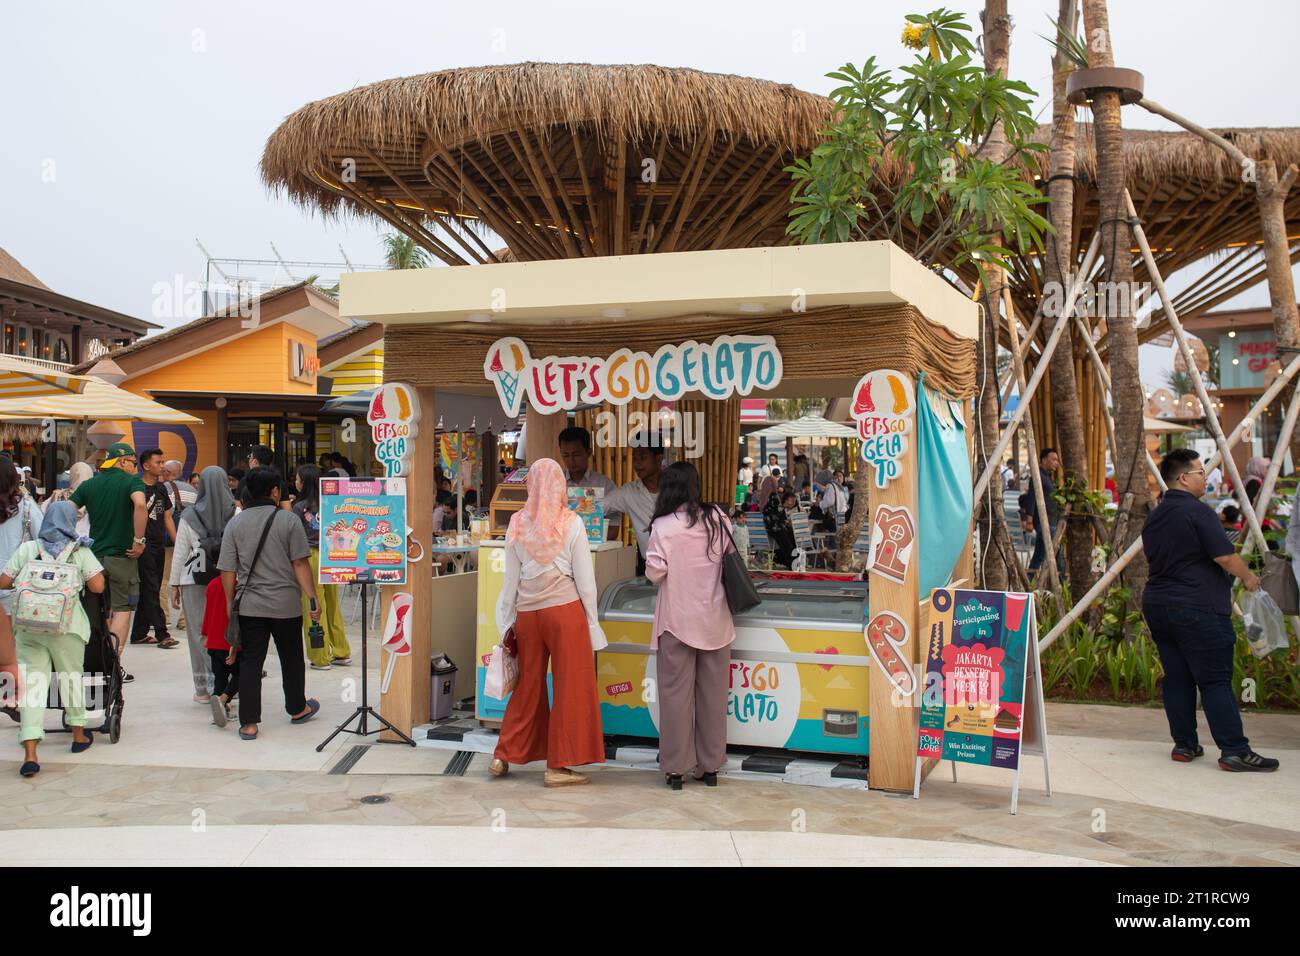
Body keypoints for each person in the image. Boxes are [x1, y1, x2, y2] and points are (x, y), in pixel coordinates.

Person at [1141, 448, 1278, 773]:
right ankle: (1234, 750)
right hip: (1197, 607)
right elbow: (1224, 556)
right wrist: (1248, 578)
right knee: (1215, 679)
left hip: (1159, 605)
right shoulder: (1198, 512)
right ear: (1184, 478)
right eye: (1201, 472)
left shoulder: (1155, 515)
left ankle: (1184, 744)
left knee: (1177, 677)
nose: (1206, 478)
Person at [488, 458, 606, 787]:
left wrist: (506, 623)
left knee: (528, 686)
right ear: (560, 485)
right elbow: (585, 583)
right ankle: (559, 767)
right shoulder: (572, 523)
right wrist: (593, 624)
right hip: (565, 613)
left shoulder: (515, 523)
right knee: (571, 686)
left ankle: (503, 754)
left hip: (528, 615)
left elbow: (509, 583)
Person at [646, 461, 736, 790]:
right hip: (715, 621)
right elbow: (730, 557)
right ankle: (710, 767)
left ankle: (676, 769)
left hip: (677, 621)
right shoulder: (718, 519)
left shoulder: (664, 526)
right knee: (712, 696)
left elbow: (654, 573)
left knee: (674, 697)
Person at [217, 466, 322, 741]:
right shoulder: (288, 521)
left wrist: (230, 604)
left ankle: (249, 724)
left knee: (251, 661)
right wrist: (312, 598)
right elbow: (299, 562)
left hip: (250, 604)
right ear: (275, 491)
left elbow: (227, 570)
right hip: (286, 604)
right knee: (291, 658)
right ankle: (297, 708)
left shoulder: (235, 524)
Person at [1, 501, 104, 776]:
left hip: (29, 627)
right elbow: (98, 585)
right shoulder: (79, 551)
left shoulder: (29, 548)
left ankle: (31, 753)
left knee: (33, 687)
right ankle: (79, 735)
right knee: (71, 677)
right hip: (67, 627)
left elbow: (4, 581)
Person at [70, 442, 147, 683]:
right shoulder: (131, 482)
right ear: (122, 461)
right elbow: (141, 504)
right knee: (123, 610)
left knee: (101, 611)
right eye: (133, 463)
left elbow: (68, 509)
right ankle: (113, 664)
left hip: (94, 559)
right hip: (123, 556)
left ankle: (99, 660)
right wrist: (139, 540)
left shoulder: (90, 484)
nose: (135, 468)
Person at [170, 465, 233, 704]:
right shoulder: (235, 514)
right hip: (226, 579)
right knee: (226, 631)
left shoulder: (189, 516)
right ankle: (224, 684)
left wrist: (174, 584)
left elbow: (180, 553)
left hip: (193, 580)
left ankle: (203, 688)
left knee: (198, 633)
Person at [291, 464, 351, 671]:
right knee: (333, 605)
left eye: (298, 479)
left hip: (310, 557)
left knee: (313, 605)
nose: (295, 482)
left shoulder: (298, 507)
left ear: (304, 482)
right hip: (332, 555)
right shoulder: (330, 502)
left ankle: (320, 656)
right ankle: (342, 651)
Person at [128, 448, 179, 650]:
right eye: (158, 462)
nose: (162, 466)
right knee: (150, 587)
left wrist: (177, 543)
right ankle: (162, 633)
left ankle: (139, 633)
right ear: (146, 465)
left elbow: (167, 517)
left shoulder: (161, 489)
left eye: (163, 462)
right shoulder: (136, 487)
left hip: (159, 545)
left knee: (152, 587)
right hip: (143, 544)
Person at [602, 441, 665, 575]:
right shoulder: (629, 492)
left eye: (643, 457)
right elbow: (599, 507)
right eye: (634, 458)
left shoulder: (676, 487)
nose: (637, 464)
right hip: (648, 566)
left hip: (679, 564)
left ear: (658, 458)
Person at [0, 460, 45, 618]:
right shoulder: (25, 506)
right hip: (13, 585)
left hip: (12, 588)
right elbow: (43, 537)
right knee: (11, 641)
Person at [1025, 447, 1065, 575]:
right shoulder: (1038, 476)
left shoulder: (1049, 478)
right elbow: (1031, 498)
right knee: (1057, 551)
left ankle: (1028, 580)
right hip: (1044, 523)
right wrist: (1029, 520)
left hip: (1052, 521)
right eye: (1053, 459)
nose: (1056, 463)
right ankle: (1062, 582)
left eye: (1057, 460)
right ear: (1043, 460)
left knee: (1039, 556)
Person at [42, 461, 92, 537]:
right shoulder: (95, 499)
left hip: (59, 540)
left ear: (71, 476)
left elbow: (42, 513)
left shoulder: (57, 495)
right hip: (86, 541)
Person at [763, 490, 799, 569]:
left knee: (791, 536)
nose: (793, 503)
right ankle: (792, 563)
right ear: (786, 500)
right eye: (792, 500)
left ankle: (793, 562)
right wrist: (785, 522)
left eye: (794, 501)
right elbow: (777, 520)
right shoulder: (777, 506)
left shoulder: (779, 507)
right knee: (787, 540)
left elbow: (781, 519)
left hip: (775, 528)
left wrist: (786, 522)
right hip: (774, 528)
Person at [819, 469, 848, 533]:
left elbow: (830, 501)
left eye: (840, 476)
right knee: (838, 535)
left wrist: (820, 504)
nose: (839, 478)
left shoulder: (833, 486)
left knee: (835, 537)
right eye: (837, 476)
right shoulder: (840, 488)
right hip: (841, 515)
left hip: (837, 516)